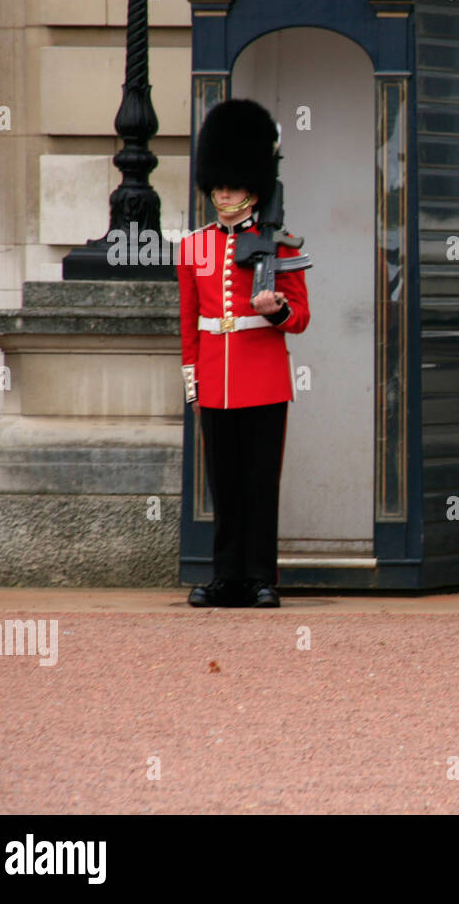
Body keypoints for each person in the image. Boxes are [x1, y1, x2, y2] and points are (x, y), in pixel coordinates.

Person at [179, 99, 311, 609]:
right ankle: (225, 577)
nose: (223, 195)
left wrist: (275, 309)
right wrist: (194, 378)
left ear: (253, 190)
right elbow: (190, 323)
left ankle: (260, 577)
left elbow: (299, 318)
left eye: (232, 187)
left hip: (263, 379)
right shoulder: (193, 248)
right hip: (215, 379)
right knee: (224, 485)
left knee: (259, 483)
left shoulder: (279, 244)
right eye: (218, 187)